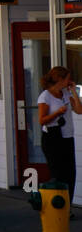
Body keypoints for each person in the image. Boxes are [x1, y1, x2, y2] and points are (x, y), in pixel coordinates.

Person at [38, 66, 81, 206]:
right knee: (58, 173)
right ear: (60, 79)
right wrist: (58, 113)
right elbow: (42, 120)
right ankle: (56, 206)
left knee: (70, 173)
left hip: (67, 136)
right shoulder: (45, 96)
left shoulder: (65, 94)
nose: (69, 80)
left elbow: (79, 110)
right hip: (52, 137)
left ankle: (67, 206)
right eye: (67, 78)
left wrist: (74, 91)